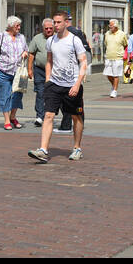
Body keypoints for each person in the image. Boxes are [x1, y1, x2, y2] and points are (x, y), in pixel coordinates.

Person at [28, 12, 90, 163]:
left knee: (76, 117)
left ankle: (77, 148)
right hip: (54, 84)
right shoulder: (50, 41)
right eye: (54, 22)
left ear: (65, 23)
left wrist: (77, 84)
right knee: (48, 115)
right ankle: (43, 150)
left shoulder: (74, 40)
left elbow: (83, 62)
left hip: (72, 85)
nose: (55, 25)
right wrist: (48, 80)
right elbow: (49, 61)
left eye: (58, 22)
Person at [0, 16, 29, 131]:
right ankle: (7, 120)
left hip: (19, 72)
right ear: (11, 26)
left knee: (18, 94)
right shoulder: (1, 36)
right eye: (17, 26)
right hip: (3, 71)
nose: (19, 28)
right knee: (5, 96)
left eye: (19, 25)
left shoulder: (21, 37)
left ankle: (13, 116)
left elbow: (26, 49)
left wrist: (25, 53)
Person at [26, 18, 53, 124]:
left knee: (54, 93)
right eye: (46, 28)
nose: (49, 30)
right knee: (40, 92)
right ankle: (40, 116)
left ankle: (54, 113)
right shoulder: (37, 38)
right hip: (40, 70)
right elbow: (31, 53)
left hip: (54, 71)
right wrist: (29, 69)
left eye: (51, 28)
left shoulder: (57, 38)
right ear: (43, 28)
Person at [102, 19, 128, 98]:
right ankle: (114, 85)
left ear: (116, 26)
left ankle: (115, 90)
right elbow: (106, 44)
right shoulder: (107, 34)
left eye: (111, 25)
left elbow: (125, 44)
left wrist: (125, 55)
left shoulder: (122, 34)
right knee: (108, 74)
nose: (110, 27)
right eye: (109, 25)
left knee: (116, 75)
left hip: (118, 57)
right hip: (108, 57)